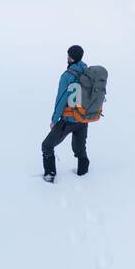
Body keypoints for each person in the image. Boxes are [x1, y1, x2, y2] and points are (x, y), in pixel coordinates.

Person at [42, 45, 90, 182]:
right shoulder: (86, 71)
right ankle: (84, 172)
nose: (67, 58)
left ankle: (50, 175)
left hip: (68, 119)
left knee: (47, 145)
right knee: (79, 147)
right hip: (83, 118)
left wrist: (54, 119)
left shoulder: (67, 76)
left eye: (69, 55)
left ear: (71, 58)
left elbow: (61, 99)